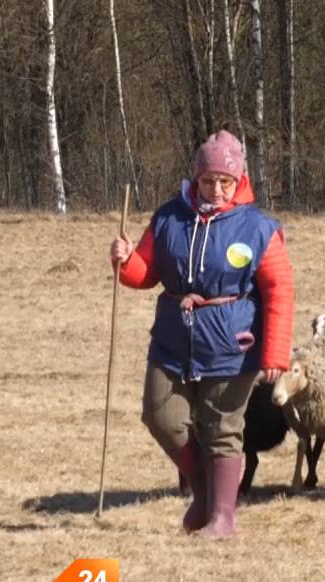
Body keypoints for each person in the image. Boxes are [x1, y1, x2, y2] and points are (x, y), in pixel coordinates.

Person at [109, 130, 293, 539]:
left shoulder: (258, 228)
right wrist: (125, 262)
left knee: (221, 427)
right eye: (208, 179)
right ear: (196, 177)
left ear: (239, 181)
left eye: (225, 181)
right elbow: (145, 271)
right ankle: (207, 495)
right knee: (161, 416)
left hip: (233, 344)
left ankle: (223, 519)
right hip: (174, 340)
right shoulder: (169, 218)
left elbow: (279, 289)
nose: (216, 188)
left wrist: (275, 354)